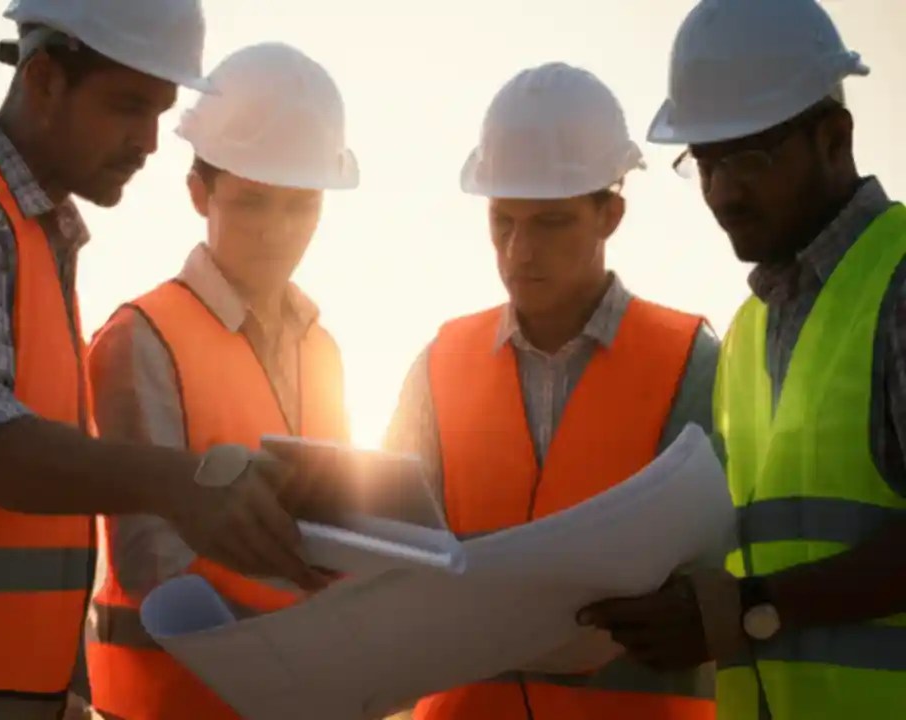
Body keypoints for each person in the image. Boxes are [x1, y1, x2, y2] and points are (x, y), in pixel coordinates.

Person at [0, 3, 330, 718]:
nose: (148, 142)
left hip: (6, 686)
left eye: (160, 112)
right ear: (44, 78)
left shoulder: (33, 237)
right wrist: (182, 484)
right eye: (127, 107)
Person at [580, 1, 906, 718]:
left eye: (750, 157)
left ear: (835, 137)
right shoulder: (749, 331)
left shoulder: (900, 281)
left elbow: (758, 596)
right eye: (706, 162)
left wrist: (751, 608)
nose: (723, 191)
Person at [382, 62, 721, 720]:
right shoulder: (438, 365)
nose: (519, 251)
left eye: (550, 223)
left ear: (610, 215)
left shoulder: (693, 364)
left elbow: (724, 569)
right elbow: (391, 557)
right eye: (503, 221)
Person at [82, 41, 359, 720]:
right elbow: (154, 561)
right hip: (172, 706)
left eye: (300, 207)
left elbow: (345, 532)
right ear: (199, 192)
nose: (277, 232)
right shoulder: (141, 338)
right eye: (253, 204)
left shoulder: (321, 350)